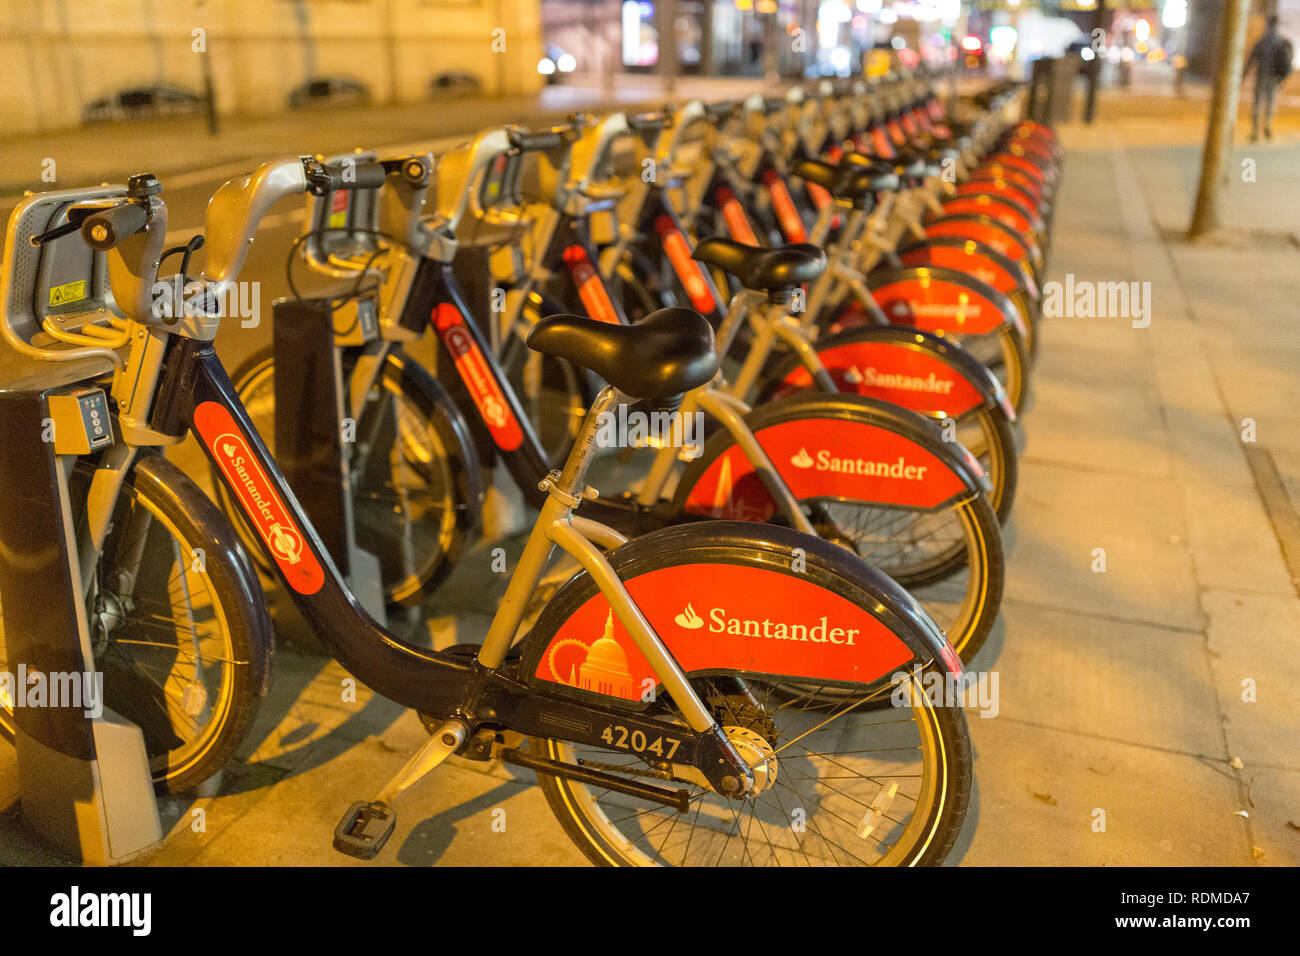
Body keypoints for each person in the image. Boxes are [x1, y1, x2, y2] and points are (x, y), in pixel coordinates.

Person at [1244, 15, 1294, 142]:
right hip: (1274, 78)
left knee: (1257, 102)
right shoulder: (1281, 41)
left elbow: (1251, 58)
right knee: (1270, 102)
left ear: (1268, 24)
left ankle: (1255, 130)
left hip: (1261, 76)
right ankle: (1267, 126)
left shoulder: (1262, 41)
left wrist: (1244, 75)